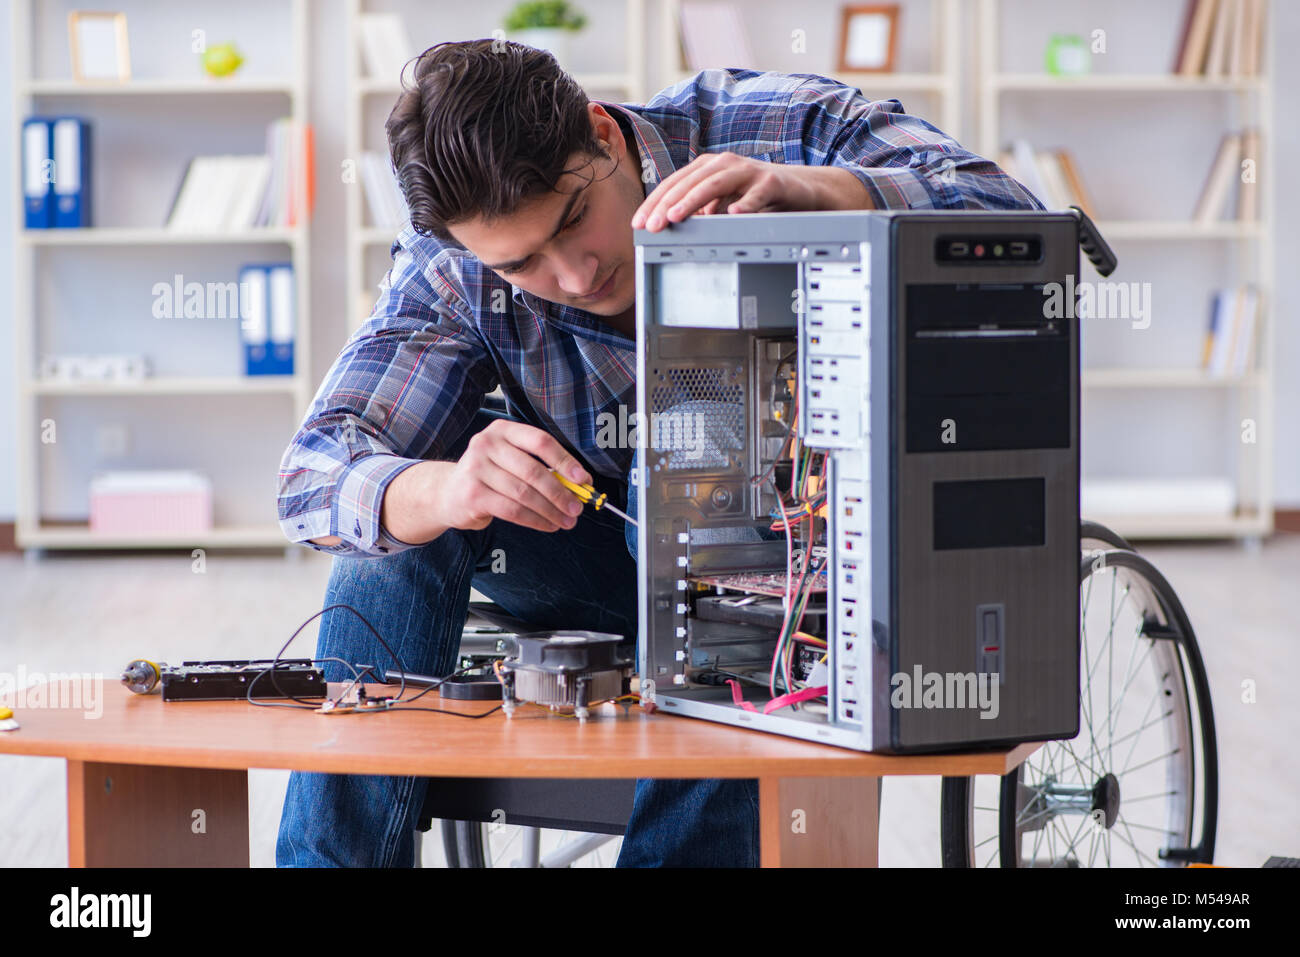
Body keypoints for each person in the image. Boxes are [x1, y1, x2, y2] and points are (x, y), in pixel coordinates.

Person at [274, 38, 1044, 867]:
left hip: (799, 555)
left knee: (694, 453)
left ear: (603, 135)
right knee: (403, 527)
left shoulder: (775, 125)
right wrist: (446, 488)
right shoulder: (453, 269)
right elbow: (314, 471)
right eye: (522, 261)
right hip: (600, 554)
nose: (572, 274)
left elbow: (1023, 223)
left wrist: (825, 192)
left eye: (572, 220)